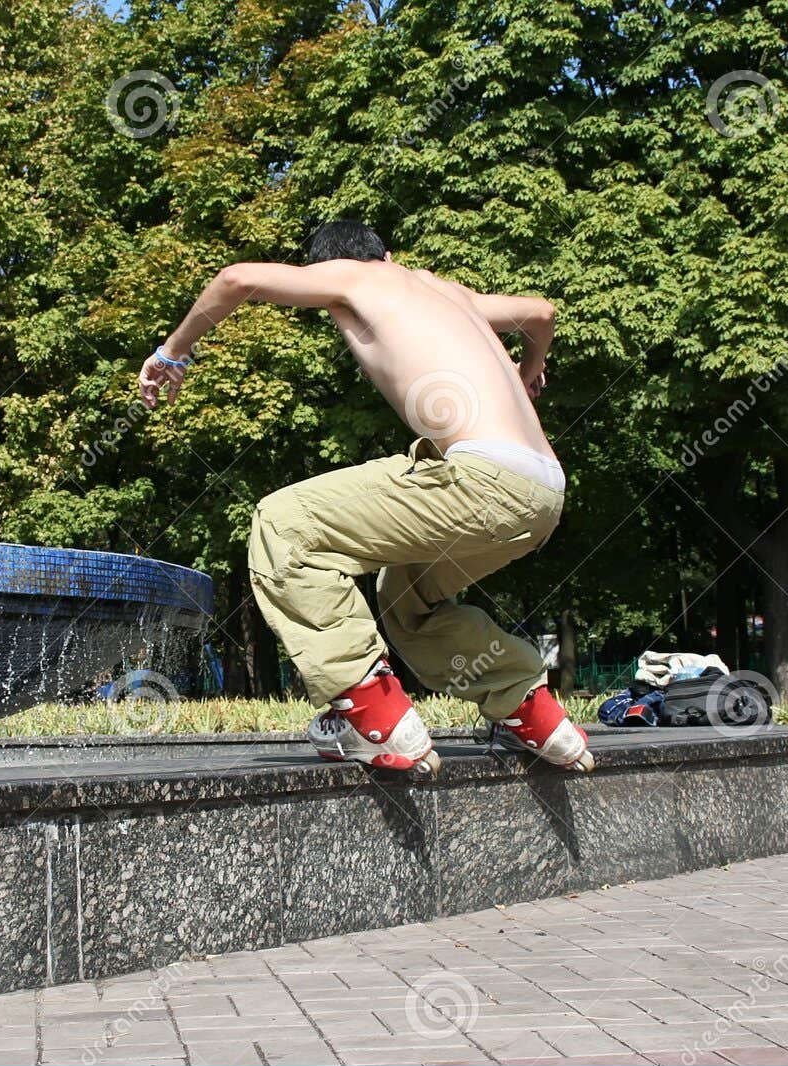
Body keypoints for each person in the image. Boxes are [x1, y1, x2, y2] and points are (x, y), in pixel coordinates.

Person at [138, 220, 592, 776]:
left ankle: (369, 715)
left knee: (285, 525)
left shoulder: (349, 279)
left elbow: (236, 279)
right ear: (392, 255)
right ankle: (532, 711)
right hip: (543, 491)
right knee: (406, 597)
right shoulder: (450, 293)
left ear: (325, 271)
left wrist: (172, 353)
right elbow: (540, 313)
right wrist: (531, 365)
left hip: (483, 480)